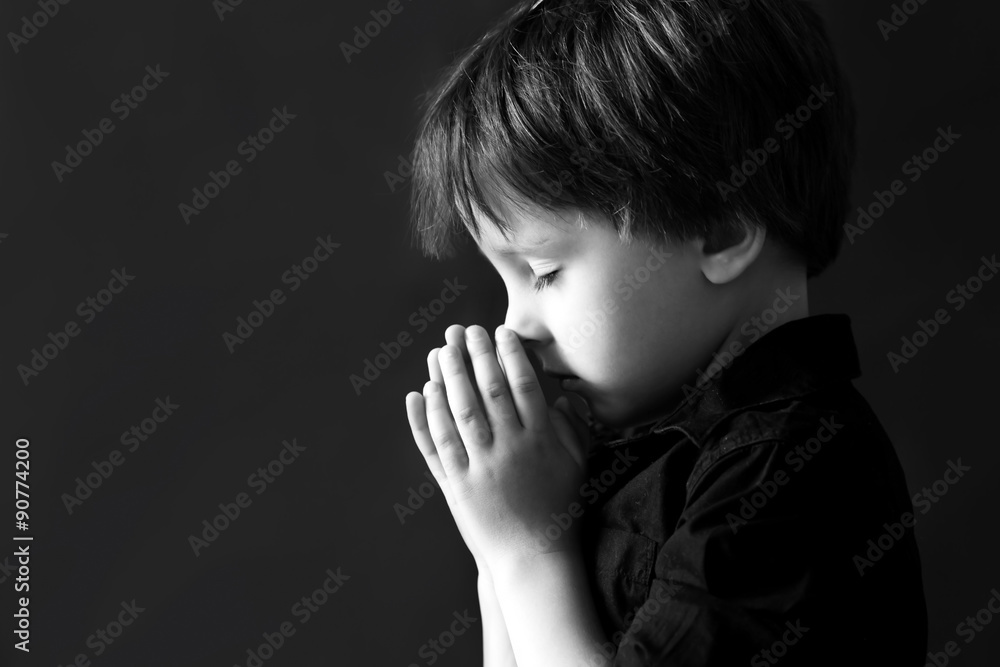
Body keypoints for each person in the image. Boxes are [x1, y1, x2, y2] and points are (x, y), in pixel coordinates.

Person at [402, 1, 927, 665]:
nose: (514, 326)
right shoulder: (619, 448)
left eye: (544, 271)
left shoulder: (788, 470)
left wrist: (528, 551)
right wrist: (497, 543)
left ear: (722, 231)